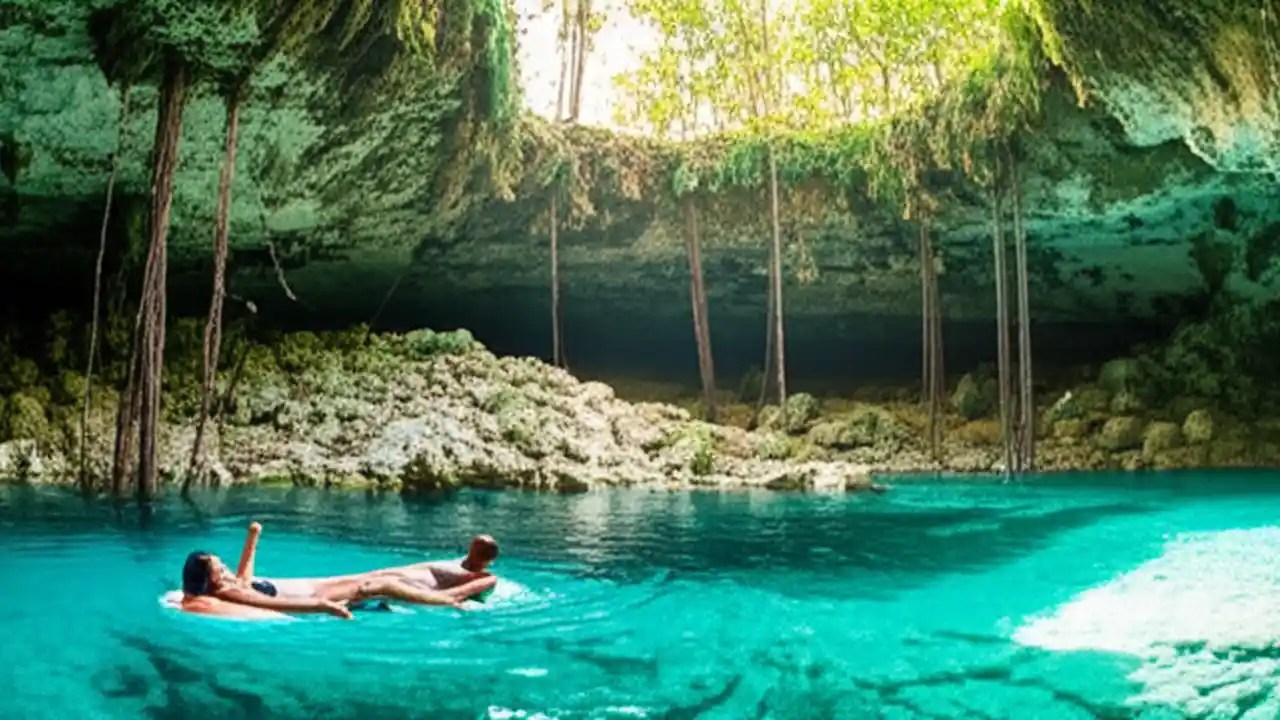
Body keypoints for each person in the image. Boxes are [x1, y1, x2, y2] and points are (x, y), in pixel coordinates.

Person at [178, 522, 499, 620]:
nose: (225, 570)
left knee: (394, 573)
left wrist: (252, 539)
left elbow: (246, 580)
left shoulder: (231, 584)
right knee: (381, 583)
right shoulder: (225, 592)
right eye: (219, 569)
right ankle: (451, 598)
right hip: (316, 595)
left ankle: (466, 571)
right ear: (210, 580)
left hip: (316, 587)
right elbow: (273, 604)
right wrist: (321, 606)